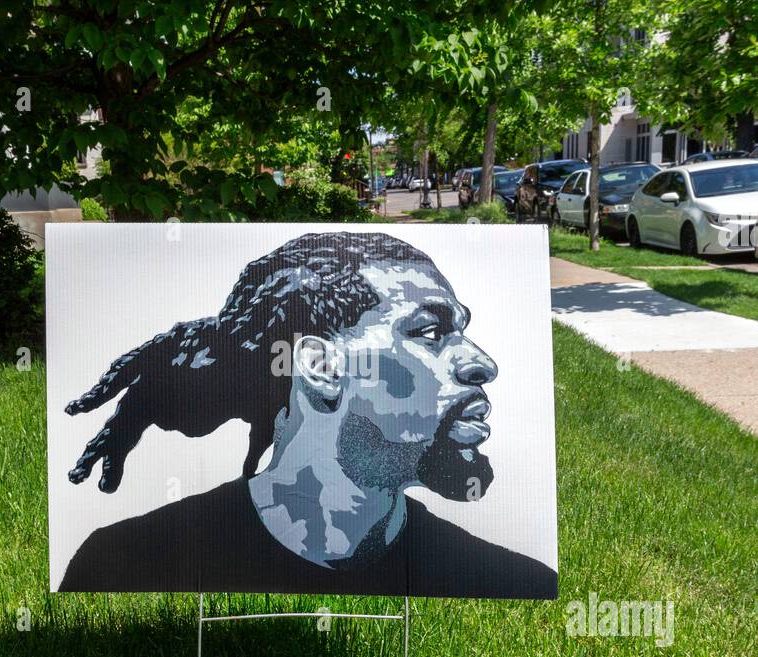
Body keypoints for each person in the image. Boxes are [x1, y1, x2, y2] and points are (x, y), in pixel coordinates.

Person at [59, 231, 556, 598]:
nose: (482, 364)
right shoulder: (124, 565)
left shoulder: (514, 581)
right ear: (321, 366)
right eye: (429, 333)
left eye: (462, 332)